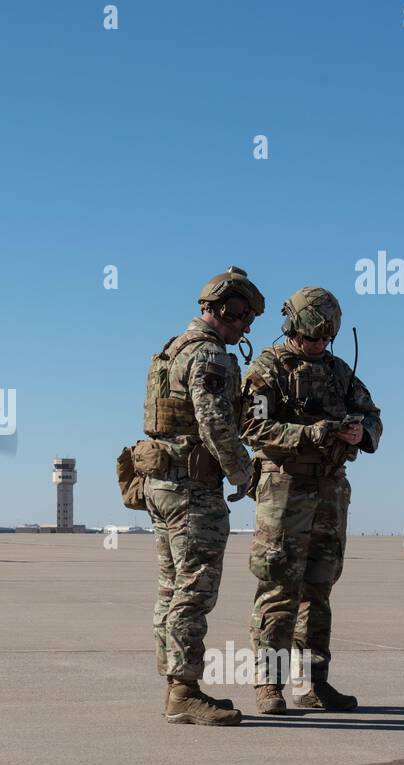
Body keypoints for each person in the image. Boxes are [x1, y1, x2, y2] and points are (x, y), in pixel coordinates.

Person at [239, 287, 383, 714]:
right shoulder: (267, 369)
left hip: (331, 491)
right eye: (311, 338)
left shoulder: (339, 371)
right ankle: (269, 685)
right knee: (278, 588)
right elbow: (253, 427)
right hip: (284, 490)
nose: (318, 346)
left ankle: (315, 684)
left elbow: (373, 415)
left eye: (325, 339)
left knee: (319, 591)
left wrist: (363, 433)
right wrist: (309, 433)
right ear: (292, 328)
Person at [140, 266, 264, 726]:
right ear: (229, 309)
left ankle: (175, 684)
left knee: (171, 589)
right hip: (191, 490)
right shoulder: (209, 355)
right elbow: (214, 423)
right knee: (193, 592)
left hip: (162, 484)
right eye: (246, 315)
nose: (248, 326)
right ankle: (184, 692)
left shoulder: (173, 347)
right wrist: (244, 472)